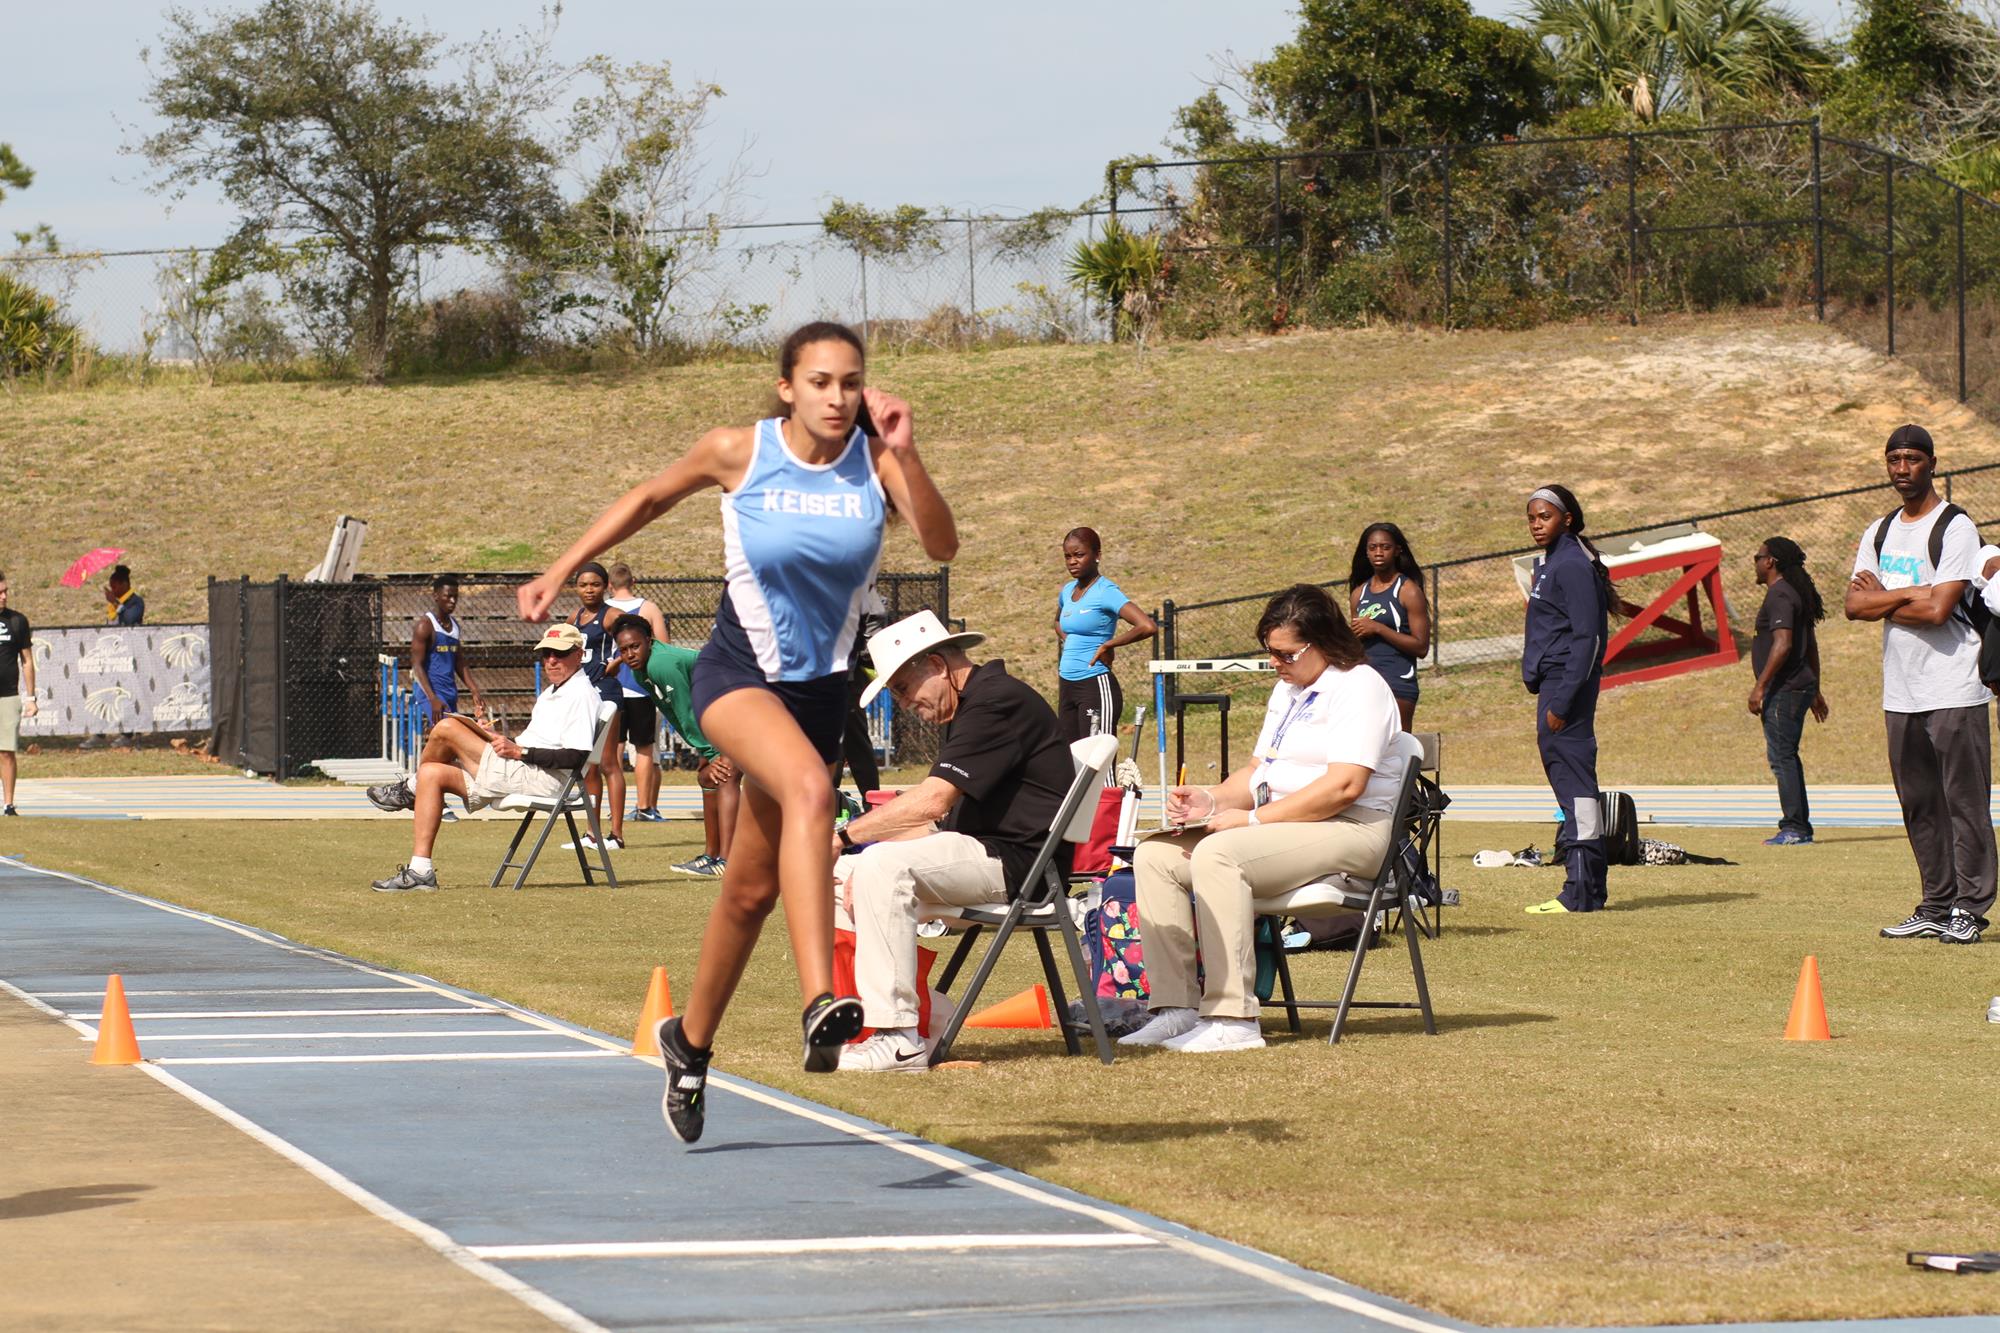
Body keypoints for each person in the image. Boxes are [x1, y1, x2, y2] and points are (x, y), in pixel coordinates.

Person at [518, 320, 957, 1143]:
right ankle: (821, 999)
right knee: (811, 790)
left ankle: (688, 1041)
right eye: (821, 381)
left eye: (851, 382)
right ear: (788, 386)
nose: (837, 396)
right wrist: (555, 570)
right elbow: (646, 498)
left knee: (750, 890)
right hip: (736, 673)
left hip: (821, 693)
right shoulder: (739, 450)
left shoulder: (879, 460)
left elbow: (941, 542)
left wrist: (909, 451)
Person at [1122, 584, 1407, 1054]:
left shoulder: (1360, 686)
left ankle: (1234, 1018)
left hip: (1354, 829)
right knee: (1155, 854)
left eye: (1284, 654)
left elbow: (1344, 787)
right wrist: (1209, 801)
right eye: (1269, 652)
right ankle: (1176, 1010)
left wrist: (1251, 822)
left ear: (1321, 644)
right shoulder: (1289, 689)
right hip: (1289, 827)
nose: (1275, 663)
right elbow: (1258, 771)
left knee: (1219, 854)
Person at [829, 611, 1074, 1073]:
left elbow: (933, 802)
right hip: (991, 853)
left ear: (937, 665)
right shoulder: (976, 704)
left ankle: (898, 1038)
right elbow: (940, 822)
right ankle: (929, 1020)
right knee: (837, 877)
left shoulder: (995, 702)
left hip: (1020, 865)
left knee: (878, 867)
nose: (902, 702)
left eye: (902, 687)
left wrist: (846, 835)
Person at [1846, 424, 1994, 945]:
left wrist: (1886, 596)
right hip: (1901, 691)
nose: (1901, 468)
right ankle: (1935, 902)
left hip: (1954, 686)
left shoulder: (1955, 527)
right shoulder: (1878, 531)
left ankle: (1970, 908)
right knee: (1919, 804)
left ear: (1932, 462)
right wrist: (1910, 593)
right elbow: (1852, 606)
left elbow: (1938, 611)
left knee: (1964, 804)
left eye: (1911, 458)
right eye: (1893, 459)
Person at [365, 624, 602, 892]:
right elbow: (536, 742)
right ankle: (421, 871)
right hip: (524, 769)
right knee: (432, 772)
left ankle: (409, 790)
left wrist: (520, 752)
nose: (551, 660)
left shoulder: (580, 694)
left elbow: (577, 757)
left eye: (560, 653)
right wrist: (498, 740)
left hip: (544, 780)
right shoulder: (555, 691)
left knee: (445, 728)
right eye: (546, 653)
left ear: (579, 654)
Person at [1521, 484, 1610, 916]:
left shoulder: (1571, 563)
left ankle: (1581, 891)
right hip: (1554, 683)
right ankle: (1586, 888)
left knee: (1577, 791)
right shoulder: (1555, 562)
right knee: (1574, 792)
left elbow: (1588, 639)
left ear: (1567, 518)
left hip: (1566, 688)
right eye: (1533, 518)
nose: (1537, 524)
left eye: (1545, 517)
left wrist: (1563, 702)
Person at [610, 613, 741, 878]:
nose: (630, 654)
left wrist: (712, 751)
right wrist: (706, 754)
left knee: (726, 776)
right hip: (719, 715)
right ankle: (711, 855)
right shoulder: (639, 673)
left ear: (649, 640)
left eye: (635, 646)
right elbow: (674, 716)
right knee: (707, 777)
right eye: (623, 650)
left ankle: (729, 861)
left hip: (740, 706)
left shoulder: (662, 665)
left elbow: (687, 712)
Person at [1748, 538, 1829, 847]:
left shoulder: (1780, 595)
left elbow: (1783, 644)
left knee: (1782, 757)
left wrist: (1760, 685)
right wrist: (1815, 688)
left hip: (1785, 689)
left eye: (1758, 557)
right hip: (1799, 685)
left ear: (1770, 562)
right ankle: (1798, 826)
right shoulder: (1791, 593)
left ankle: (1795, 827)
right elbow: (1811, 646)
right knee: (1786, 756)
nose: (1755, 563)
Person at [1053, 528, 1157, 755]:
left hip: (1094, 684)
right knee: (1070, 759)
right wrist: (1070, 643)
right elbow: (1058, 622)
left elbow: (1147, 626)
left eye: (1079, 555)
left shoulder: (1106, 591)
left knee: (1097, 761)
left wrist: (1109, 645)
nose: (1072, 562)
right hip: (1067, 685)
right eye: (1067, 556)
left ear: (1097, 555)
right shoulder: (1068, 590)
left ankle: (1108, 793)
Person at [1347, 522, 1430, 729]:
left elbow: (1421, 647)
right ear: (1365, 552)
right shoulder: (1359, 594)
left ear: (1397, 550)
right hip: (1365, 682)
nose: (1378, 553)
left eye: (1385, 547)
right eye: (1373, 548)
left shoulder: (1408, 591)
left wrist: (1378, 628)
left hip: (1397, 682)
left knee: (1397, 751)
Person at [568, 562, 627, 852]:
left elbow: (637, 638)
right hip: (583, 695)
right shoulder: (575, 616)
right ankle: (592, 833)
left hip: (606, 694)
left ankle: (616, 834)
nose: (589, 590)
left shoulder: (611, 615)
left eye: (595, 584)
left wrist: (613, 665)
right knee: (588, 765)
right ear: (576, 588)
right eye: (583, 585)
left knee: (607, 763)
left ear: (606, 586)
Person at [605, 564, 670, 823]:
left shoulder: (604, 611)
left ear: (609, 584)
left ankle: (615, 806)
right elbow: (663, 645)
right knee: (643, 748)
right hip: (641, 686)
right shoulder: (649, 608)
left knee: (614, 748)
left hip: (612, 688)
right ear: (634, 581)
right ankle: (645, 807)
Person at [411, 575, 485, 730]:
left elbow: (459, 661)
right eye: (448, 596)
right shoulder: (425, 625)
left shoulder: (455, 626)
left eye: (455, 597)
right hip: (431, 694)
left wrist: (474, 689)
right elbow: (416, 666)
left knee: (449, 744)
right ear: (436, 596)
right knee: (447, 735)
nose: (453, 601)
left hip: (449, 692)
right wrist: (432, 698)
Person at [0, 573, 37, 817]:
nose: (3, 596)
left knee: (6, 751)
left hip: (8, 696)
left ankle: (9, 804)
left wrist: (31, 697)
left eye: (5, 592)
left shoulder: (17, 621)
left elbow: (27, 661)